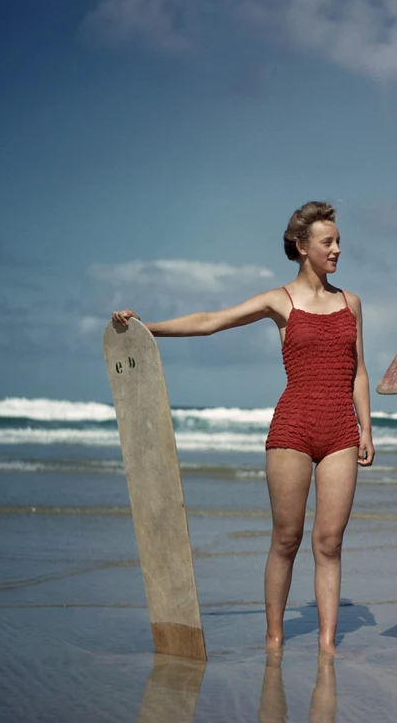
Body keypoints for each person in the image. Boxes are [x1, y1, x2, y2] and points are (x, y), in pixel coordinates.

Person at [111, 201, 374, 653]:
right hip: (292, 428)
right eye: (327, 242)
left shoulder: (351, 302)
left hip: (340, 432)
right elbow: (213, 322)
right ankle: (274, 638)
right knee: (287, 538)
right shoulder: (279, 301)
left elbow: (359, 371)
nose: (337, 250)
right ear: (301, 245)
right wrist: (145, 327)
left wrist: (365, 428)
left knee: (329, 542)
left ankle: (327, 645)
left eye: (338, 241)